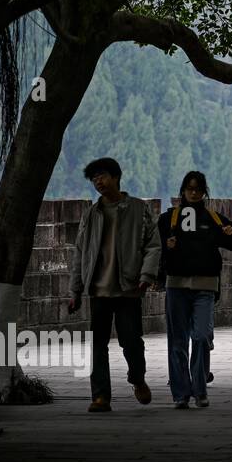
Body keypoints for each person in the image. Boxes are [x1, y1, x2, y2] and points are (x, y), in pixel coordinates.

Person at [66, 158, 160, 412]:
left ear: (117, 177)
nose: (98, 182)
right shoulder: (91, 214)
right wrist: (75, 290)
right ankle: (100, 396)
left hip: (129, 288)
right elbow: (80, 253)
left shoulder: (138, 209)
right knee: (98, 344)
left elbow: (153, 246)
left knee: (131, 341)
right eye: (94, 178)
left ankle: (137, 378)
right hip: (98, 289)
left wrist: (146, 276)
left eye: (103, 176)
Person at [157, 171, 232, 409]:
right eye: (189, 188)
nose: (193, 192)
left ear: (204, 192)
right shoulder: (169, 219)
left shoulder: (213, 219)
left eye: (197, 189)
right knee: (177, 341)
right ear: (183, 191)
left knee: (201, 336)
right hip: (176, 285)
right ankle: (181, 393)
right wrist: (167, 248)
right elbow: (154, 249)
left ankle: (199, 389)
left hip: (205, 286)